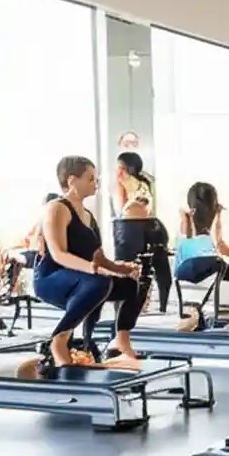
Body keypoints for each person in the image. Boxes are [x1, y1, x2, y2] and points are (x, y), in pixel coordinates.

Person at [34, 156, 144, 369]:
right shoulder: (57, 208)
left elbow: (99, 257)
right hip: (51, 278)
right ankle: (59, 340)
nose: (96, 183)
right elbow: (58, 254)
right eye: (91, 178)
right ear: (72, 180)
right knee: (98, 283)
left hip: (84, 278)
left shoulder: (88, 216)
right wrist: (93, 269)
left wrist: (121, 269)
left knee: (129, 284)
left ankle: (120, 341)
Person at [175, 182, 229, 330]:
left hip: (184, 269)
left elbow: (186, 238)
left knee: (216, 269)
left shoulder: (186, 218)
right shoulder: (212, 217)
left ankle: (195, 312)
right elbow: (219, 243)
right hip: (211, 267)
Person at [113, 152, 172, 312]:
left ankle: (129, 305)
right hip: (153, 225)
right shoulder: (147, 181)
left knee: (127, 267)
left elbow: (120, 208)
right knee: (157, 266)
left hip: (129, 227)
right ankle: (161, 306)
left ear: (123, 168)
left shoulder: (121, 181)